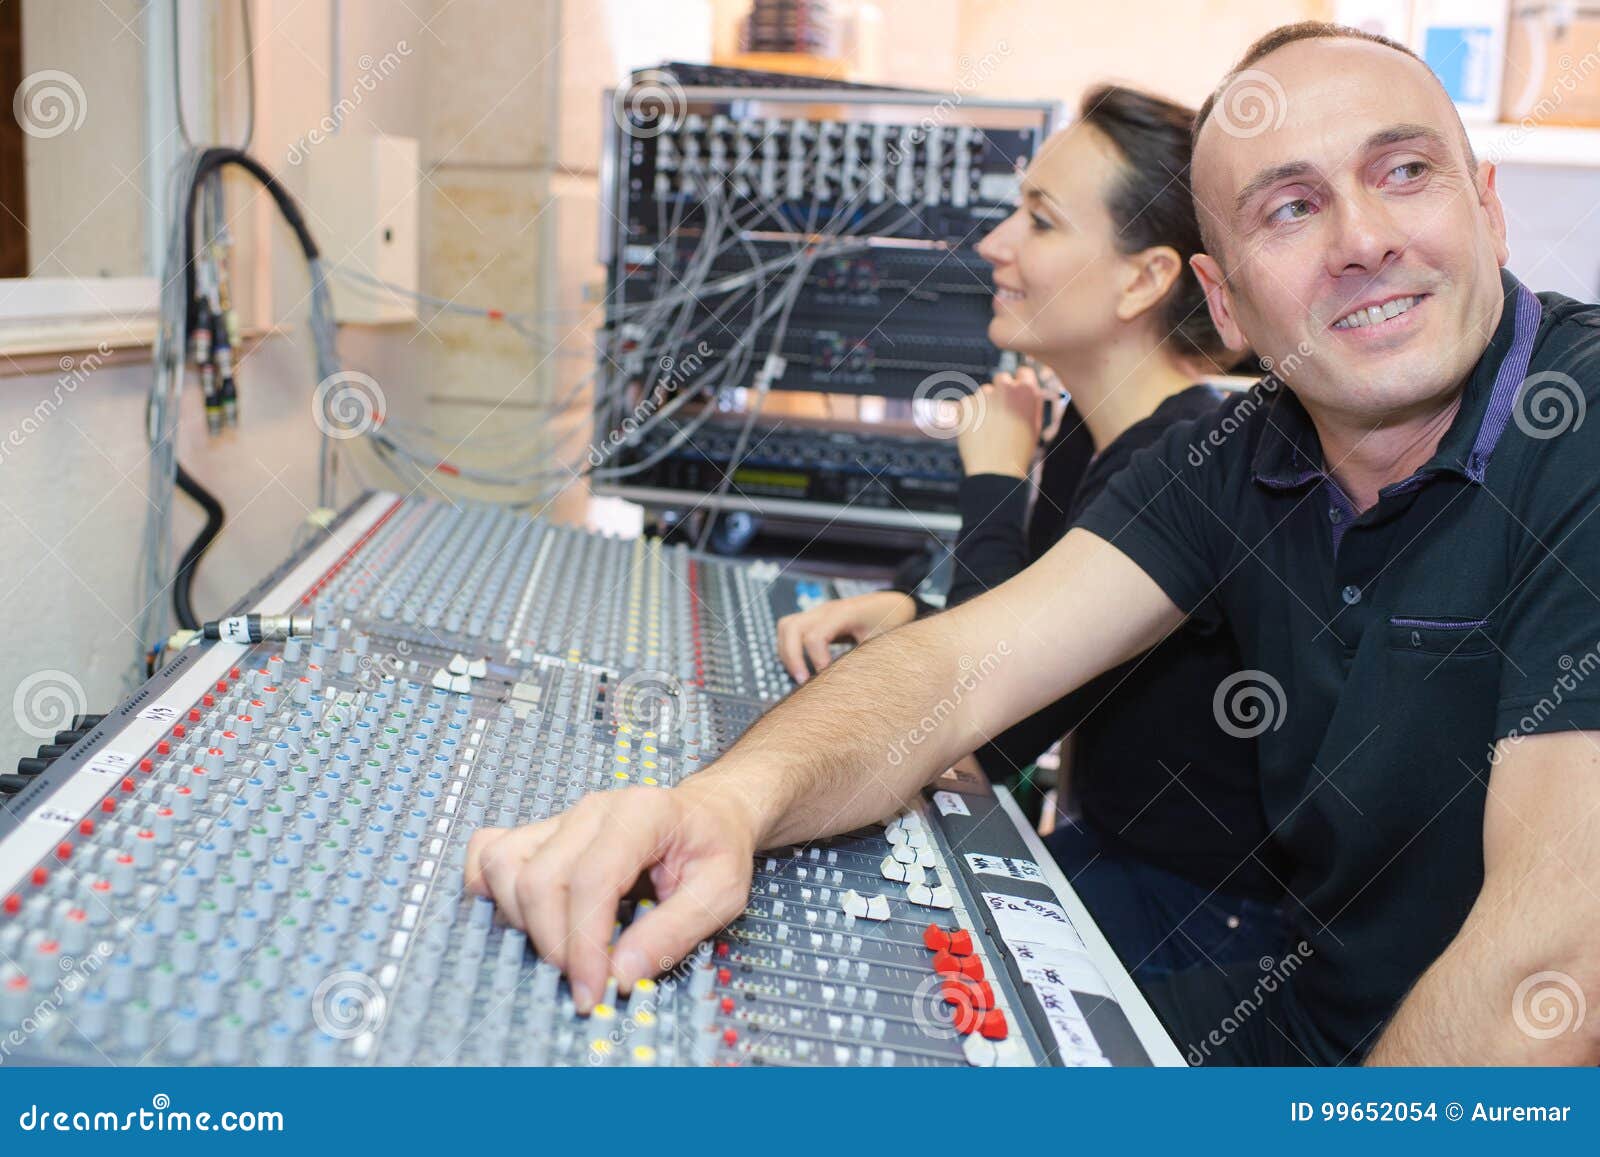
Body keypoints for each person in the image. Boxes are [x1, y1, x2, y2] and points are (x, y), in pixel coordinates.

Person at [465, 23, 1600, 1067]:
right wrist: (726, 802)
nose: (1364, 239)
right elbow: (960, 673)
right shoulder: (1245, 449)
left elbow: (1546, 978)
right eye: (1288, 209)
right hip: (1316, 1025)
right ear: (1227, 301)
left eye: (1404, 172)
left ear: (1487, 207)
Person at [773, 85, 1285, 982]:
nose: (995, 246)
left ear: (1144, 278)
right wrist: (914, 605)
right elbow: (1024, 630)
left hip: (1196, 928)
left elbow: (988, 731)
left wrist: (995, 474)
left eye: (1040, 222)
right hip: (1108, 857)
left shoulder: (1190, 457)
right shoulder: (1100, 432)